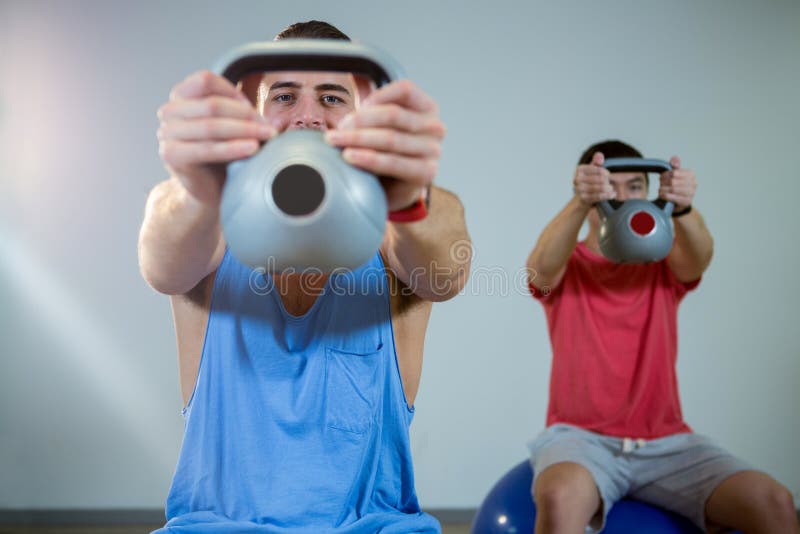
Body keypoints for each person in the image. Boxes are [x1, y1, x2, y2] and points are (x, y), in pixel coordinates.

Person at [138, 20, 470, 533]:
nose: (308, 117)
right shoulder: (205, 220)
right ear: (255, 115)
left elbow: (447, 274)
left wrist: (407, 195)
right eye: (285, 96)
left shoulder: (399, 229)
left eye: (333, 98)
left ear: (365, 116)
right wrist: (198, 183)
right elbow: (162, 265)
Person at [525, 140, 798, 534]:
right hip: (581, 440)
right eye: (607, 186)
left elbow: (701, 255)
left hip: (667, 444)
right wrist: (577, 201)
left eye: (634, 186)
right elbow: (538, 270)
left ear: (647, 193)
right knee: (559, 497)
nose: (621, 197)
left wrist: (683, 207)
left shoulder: (661, 263)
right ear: (589, 192)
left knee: (775, 502)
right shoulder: (569, 266)